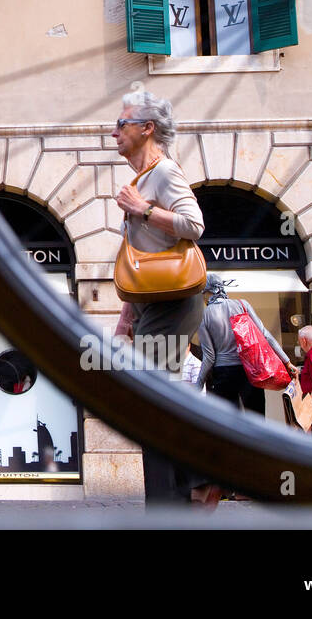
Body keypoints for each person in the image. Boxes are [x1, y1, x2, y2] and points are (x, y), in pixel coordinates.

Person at [110, 90, 212, 506]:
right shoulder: (141, 178)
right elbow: (138, 263)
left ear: (146, 128)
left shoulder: (164, 172)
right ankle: (194, 480)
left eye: (122, 123)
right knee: (154, 399)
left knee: (150, 401)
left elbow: (193, 225)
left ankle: (178, 494)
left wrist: (143, 210)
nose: (113, 130)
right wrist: (124, 322)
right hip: (153, 301)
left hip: (175, 301)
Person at [195, 274, 295, 416]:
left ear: (208, 292)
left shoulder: (204, 316)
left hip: (223, 374)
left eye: (203, 294)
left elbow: (209, 356)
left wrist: (198, 385)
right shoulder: (242, 304)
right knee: (256, 418)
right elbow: (264, 335)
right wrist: (287, 361)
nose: (202, 298)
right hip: (250, 370)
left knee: (226, 423)